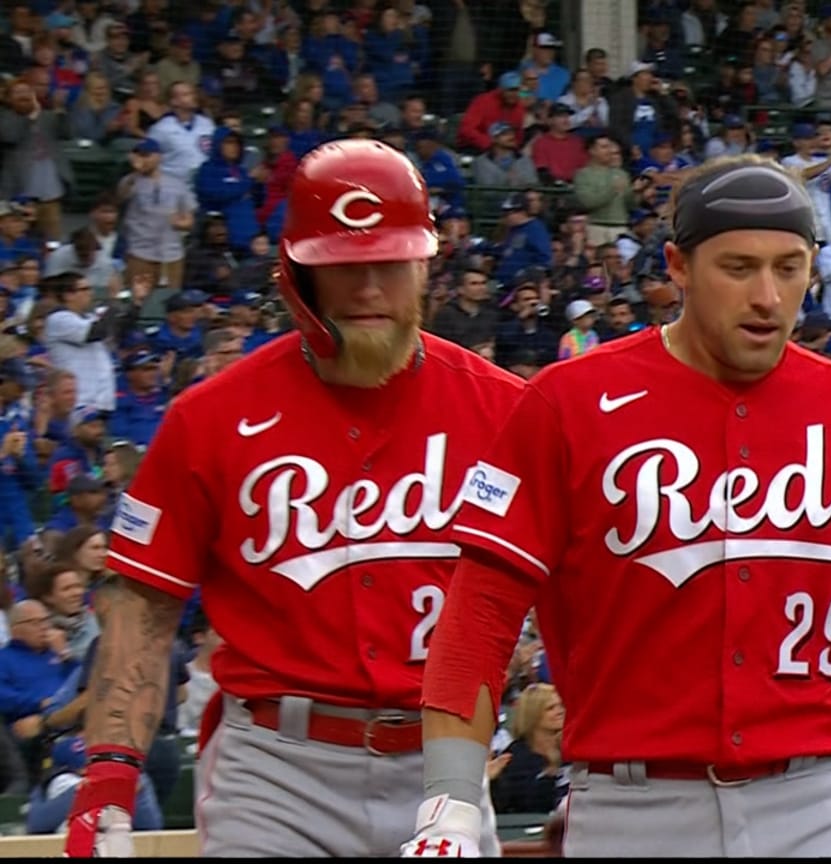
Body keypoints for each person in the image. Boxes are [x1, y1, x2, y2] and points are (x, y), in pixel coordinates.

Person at [405, 156, 831, 858]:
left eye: (789, 268)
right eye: (738, 267)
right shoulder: (566, 401)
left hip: (811, 801)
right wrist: (447, 804)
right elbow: (480, 612)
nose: (767, 296)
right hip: (633, 805)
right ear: (678, 266)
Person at [62, 141, 524, 857]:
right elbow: (143, 606)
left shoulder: (507, 412)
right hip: (278, 770)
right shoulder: (211, 416)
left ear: (426, 262)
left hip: (445, 763)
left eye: (391, 261)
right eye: (344, 265)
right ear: (297, 273)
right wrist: (108, 780)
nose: (370, 286)